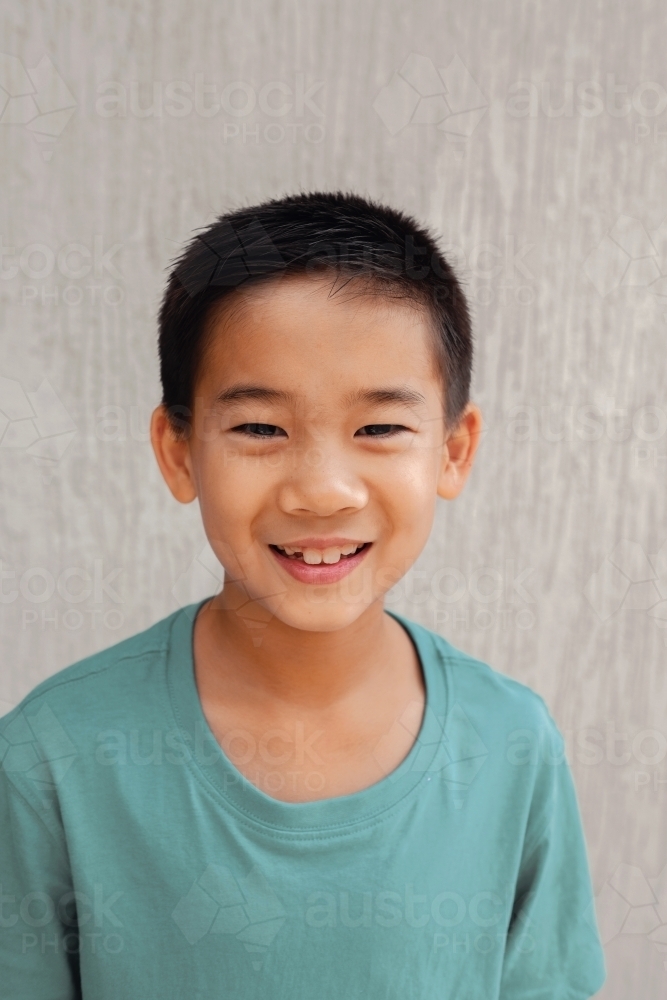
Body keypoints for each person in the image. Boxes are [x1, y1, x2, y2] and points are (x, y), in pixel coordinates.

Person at [0, 192, 606, 998]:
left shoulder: (510, 747)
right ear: (178, 450)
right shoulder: (53, 757)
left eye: (379, 428)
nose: (322, 491)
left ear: (453, 450)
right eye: (259, 428)